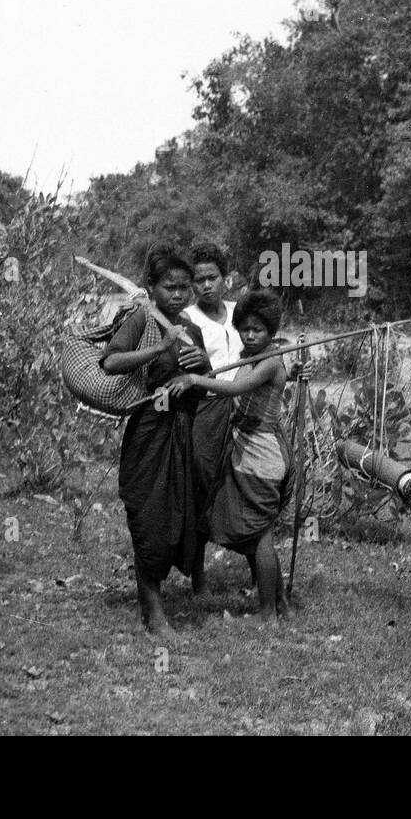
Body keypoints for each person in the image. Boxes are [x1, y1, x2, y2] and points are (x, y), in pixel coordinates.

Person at [99, 245, 211, 639]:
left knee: (179, 516)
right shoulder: (142, 319)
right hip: (149, 433)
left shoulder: (192, 330)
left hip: (182, 434)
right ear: (151, 287)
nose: (179, 295)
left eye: (185, 287)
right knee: (148, 517)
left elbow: (202, 388)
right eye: (169, 287)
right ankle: (154, 613)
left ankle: (165, 596)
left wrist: (200, 370)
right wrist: (162, 349)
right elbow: (111, 361)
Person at [167, 289, 292, 622]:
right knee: (256, 531)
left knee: (260, 534)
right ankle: (279, 605)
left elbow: (238, 389)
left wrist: (195, 378)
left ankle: (268, 614)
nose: (250, 335)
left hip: (260, 455)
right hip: (245, 448)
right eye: (245, 329)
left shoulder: (269, 362)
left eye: (258, 330)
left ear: (272, 332)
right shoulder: (256, 356)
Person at [183, 242, 244, 586]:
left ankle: (256, 568)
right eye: (199, 279)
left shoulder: (241, 312)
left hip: (245, 410)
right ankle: (198, 575)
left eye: (213, 277)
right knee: (203, 486)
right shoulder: (186, 319)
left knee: (246, 484)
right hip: (206, 410)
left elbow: (262, 351)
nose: (206, 285)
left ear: (226, 278)